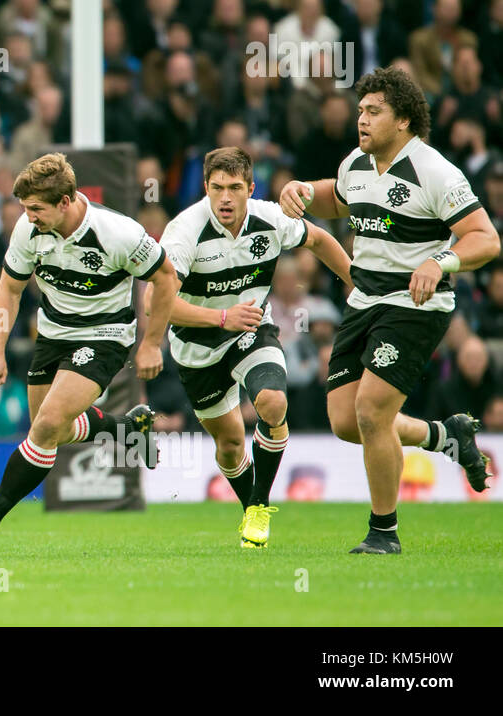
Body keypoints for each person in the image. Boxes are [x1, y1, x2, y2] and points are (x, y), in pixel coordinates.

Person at [280, 67, 501, 553]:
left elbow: (486, 238)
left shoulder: (436, 172)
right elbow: (338, 201)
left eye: (373, 111)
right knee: (344, 420)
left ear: (403, 121)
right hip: (364, 302)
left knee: (371, 413)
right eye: (360, 110)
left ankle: (384, 533)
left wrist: (441, 260)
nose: (362, 119)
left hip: (415, 305)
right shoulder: (356, 163)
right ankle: (445, 434)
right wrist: (300, 189)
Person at [0, 152, 179, 556]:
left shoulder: (118, 232)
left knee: (44, 427)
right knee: (52, 429)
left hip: (105, 335)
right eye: (25, 208)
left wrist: (150, 344)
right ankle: (125, 433)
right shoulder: (27, 229)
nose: (28, 216)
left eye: (36, 209)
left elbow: (165, 277)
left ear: (66, 201)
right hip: (54, 333)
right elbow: (9, 289)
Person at [152, 146, 352, 548]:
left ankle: (259, 507)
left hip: (251, 332)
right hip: (197, 348)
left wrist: (358, 284)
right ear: (206, 188)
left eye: (235, 188)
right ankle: (250, 510)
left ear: (251, 188)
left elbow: (317, 239)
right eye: (216, 187)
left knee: (274, 404)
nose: (225, 198)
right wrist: (221, 319)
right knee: (229, 447)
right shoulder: (184, 231)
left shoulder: (271, 219)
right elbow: (160, 303)